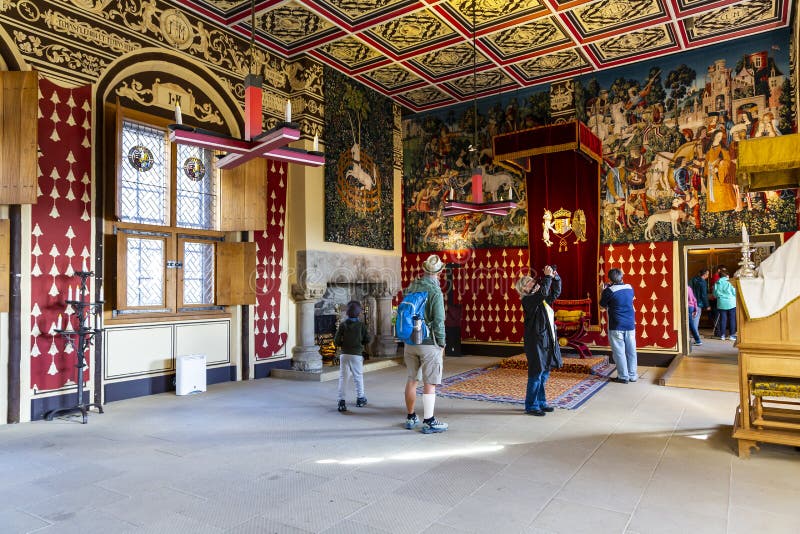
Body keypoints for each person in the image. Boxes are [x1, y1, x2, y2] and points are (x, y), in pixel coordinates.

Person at [402, 254, 448, 434]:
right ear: (440, 272)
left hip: (410, 341)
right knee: (430, 382)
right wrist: (442, 343)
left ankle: (410, 417)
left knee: (412, 380)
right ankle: (429, 421)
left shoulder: (411, 287)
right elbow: (439, 320)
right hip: (428, 343)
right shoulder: (435, 291)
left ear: (424, 270)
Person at [516, 266, 562, 416]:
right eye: (528, 283)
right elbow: (543, 292)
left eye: (531, 281)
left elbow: (555, 292)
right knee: (536, 374)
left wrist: (555, 278)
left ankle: (541, 402)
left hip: (547, 341)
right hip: (535, 343)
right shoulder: (528, 300)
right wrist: (547, 277)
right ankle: (531, 405)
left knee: (544, 374)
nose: (533, 283)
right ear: (524, 289)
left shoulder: (542, 300)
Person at [600, 268, 637, 383]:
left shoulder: (609, 291)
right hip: (630, 324)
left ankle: (623, 377)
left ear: (609, 279)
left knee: (619, 352)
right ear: (622, 276)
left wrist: (602, 291)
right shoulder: (630, 288)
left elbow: (602, 306)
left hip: (616, 325)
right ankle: (633, 375)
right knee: (631, 351)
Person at [334, 300, 371, 412]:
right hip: (356, 355)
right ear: (359, 313)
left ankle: (341, 401)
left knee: (343, 378)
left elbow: (336, 341)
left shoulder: (342, 325)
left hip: (344, 354)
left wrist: (343, 345)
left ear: (346, 313)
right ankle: (360, 399)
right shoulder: (361, 326)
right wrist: (360, 343)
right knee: (358, 377)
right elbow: (367, 339)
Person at [713, 267, 737, 341]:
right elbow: (734, 292)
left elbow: (715, 294)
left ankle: (722, 335)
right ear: (727, 275)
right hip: (731, 303)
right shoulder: (730, 282)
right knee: (732, 319)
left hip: (721, 303)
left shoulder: (717, 283)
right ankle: (732, 335)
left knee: (723, 319)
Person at [689, 268, 710, 337]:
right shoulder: (703, 282)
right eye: (708, 274)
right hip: (698, 303)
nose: (708, 276)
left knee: (691, 318)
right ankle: (695, 335)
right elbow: (704, 295)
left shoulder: (693, 279)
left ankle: (692, 333)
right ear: (705, 274)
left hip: (690, 302)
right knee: (696, 318)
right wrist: (707, 305)